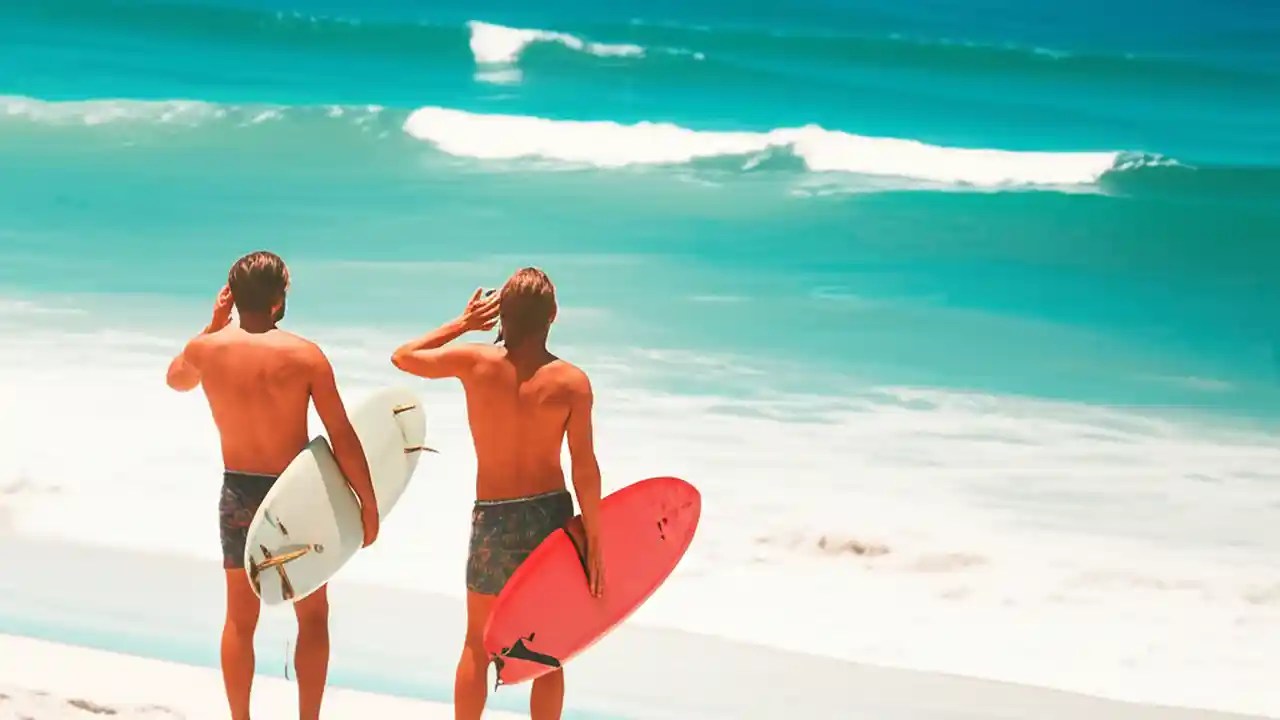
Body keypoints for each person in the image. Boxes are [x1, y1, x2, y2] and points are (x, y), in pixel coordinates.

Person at [165, 250, 379, 720]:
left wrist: (212, 324)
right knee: (313, 615)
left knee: (241, 621)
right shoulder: (305, 355)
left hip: (238, 493)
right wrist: (368, 503)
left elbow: (176, 379)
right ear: (280, 299)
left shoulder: (208, 349)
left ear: (232, 296)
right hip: (297, 495)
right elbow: (341, 434)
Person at [390, 267, 604, 720]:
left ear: (501, 315)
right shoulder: (572, 382)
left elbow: (403, 356)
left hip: (493, 518)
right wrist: (596, 539)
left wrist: (463, 325)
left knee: (477, 643)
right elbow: (584, 468)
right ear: (554, 316)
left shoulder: (475, 363)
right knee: (549, 651)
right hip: (552, 519)